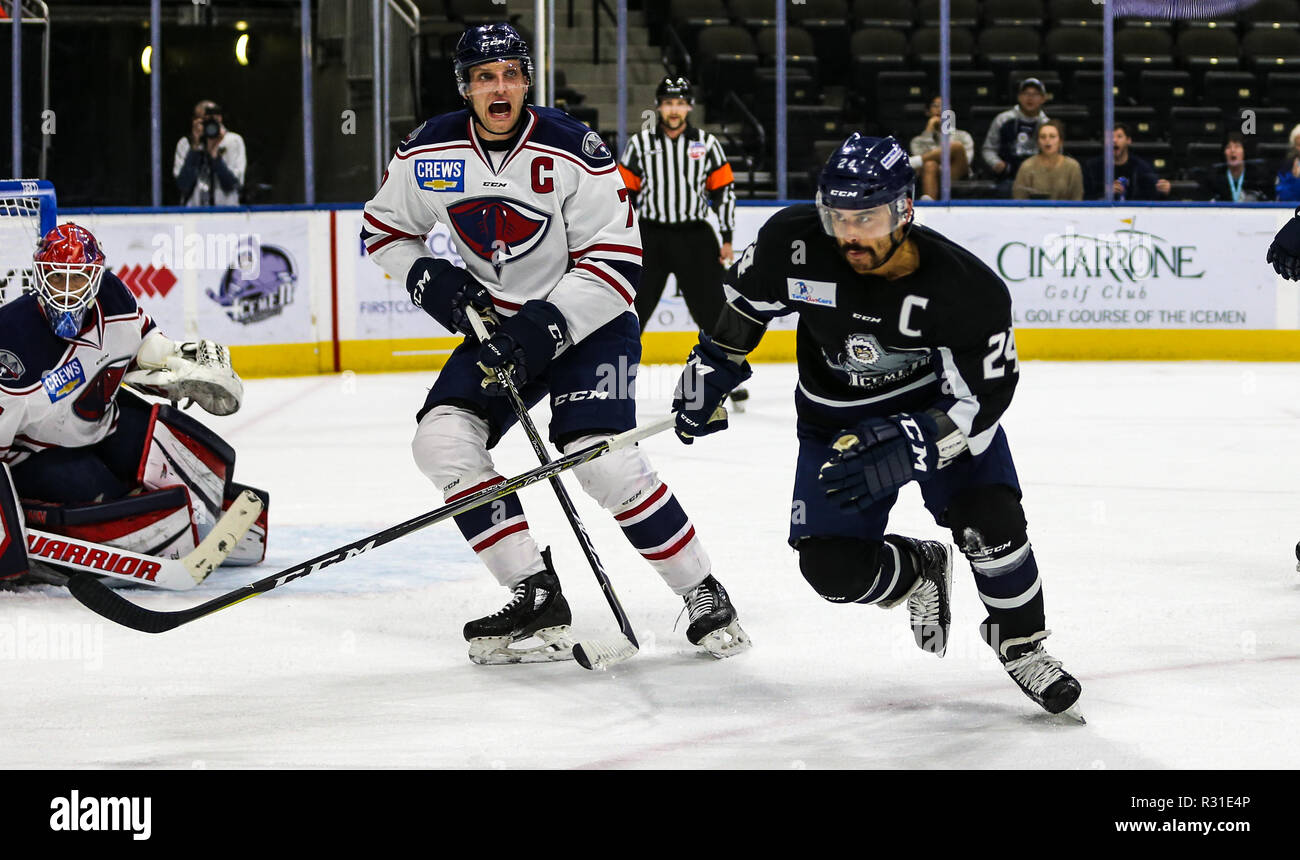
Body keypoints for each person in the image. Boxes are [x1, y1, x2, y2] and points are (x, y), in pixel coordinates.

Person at [360, 23, 750, 664]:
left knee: (597, 458)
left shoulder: (574, 148)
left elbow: (620, 259)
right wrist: (426, 274)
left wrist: (546, 325)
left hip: (591, 324)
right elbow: (383, 229)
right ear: (466, 87)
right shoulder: (428, 152)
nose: (500, 87)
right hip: (499, 328)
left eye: (512, 73)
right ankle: (534, 592)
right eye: (485, 76)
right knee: (442, 440)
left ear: (527, 81)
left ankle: (704, 592)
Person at [672, 133, 1082, 717]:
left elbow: (985, 397)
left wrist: (921, 440)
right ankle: (917, 571)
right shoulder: (795, 243)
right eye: (837, 217)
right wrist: (710, 370)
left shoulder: (966, 289)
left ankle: (1022, 644)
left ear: (904, 209)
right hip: (834, 424)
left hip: (932, 410)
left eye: (865, 217)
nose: (849, 235)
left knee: (991, 525)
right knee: (831, 568)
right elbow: (745, 305)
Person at [0, 224, 265, 585]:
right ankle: (90, 536)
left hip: (101, 423)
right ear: (38, 277)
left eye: (77, 279)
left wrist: (179, 363)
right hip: (39, 455)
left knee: (177, 443)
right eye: (55, 278)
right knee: (108, 498)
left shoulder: (114, 296)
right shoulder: (11, 343)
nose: (66, 292)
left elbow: (147, 347)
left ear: (95, 278)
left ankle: (196, 514)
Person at [981, 77, 1050, 197]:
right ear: (1019, 97)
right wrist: (996, 163)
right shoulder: (1003, 119)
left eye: (1035, 94)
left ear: (1043, 98)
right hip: (1008, 177)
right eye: (1026, 93)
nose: (1030, 98)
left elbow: (1054, 154)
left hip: (1038, 178)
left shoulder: (1048, 125)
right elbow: (988, 149)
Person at [173, 100, 247, 207]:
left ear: (220, 119)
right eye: (205, 120)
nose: (210, 124)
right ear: (195, 121)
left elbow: (232, 185)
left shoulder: (233, 141)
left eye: (214, 119)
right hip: (193, 214)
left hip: (226, 214)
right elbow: (183, 185)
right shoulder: (186, 144)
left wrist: (215, 155)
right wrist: (195, 148)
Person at [908, 95, 974, 201]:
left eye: (945, 106)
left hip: (955, 172)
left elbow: (967, 160)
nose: (940, 109)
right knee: (929, 165)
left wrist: (947, 132)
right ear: (928, 112)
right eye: (935, 106)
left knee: (957, 146)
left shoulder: (963, 136)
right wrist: (928, 133)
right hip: (930, 174)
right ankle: (930, 205)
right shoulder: (918, 141)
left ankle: (914, 161)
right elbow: (922, 163)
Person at [1082, 124, 1171, 201]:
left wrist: (1163, 191)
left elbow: (1151, 198)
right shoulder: (1092, 167)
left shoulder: (1141, 167)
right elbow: (1084, 199)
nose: (1114, 140)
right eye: (1110, 137)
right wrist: (1105, 195)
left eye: (1119, 136)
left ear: (1128, 140)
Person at [1012, 120, 1083, 200]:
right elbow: (1019, 200)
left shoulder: (1072, 167)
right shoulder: (1027, 166)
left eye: (1052, 136)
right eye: (1043, 137)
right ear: (1038, 142)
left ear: (1060, 141)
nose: (1047, 140)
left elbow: (1077, 200)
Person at [1207, 132, 1273, 202]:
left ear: (1244, 151)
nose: (1232, 150)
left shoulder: (1257, 179)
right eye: (1228, 147)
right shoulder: (1215, 180)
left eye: (1237, 146)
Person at [1273, 124, 1300, 202]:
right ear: (1294, 146)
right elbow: (1283, 196)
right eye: (1299, 145)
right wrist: (1295, 180)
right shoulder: (1286, 167)